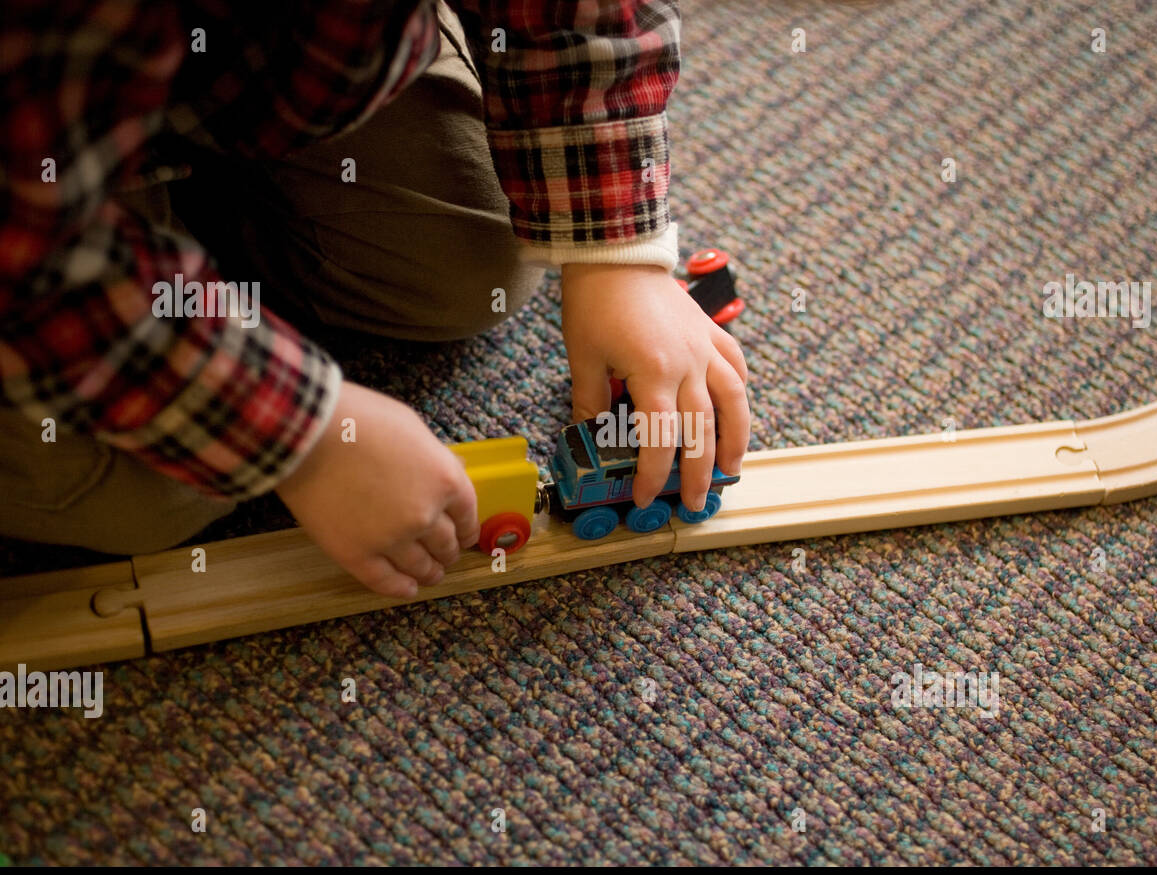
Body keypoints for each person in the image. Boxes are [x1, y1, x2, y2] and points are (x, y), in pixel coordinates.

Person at [0, 0, 750, 598]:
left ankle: (196, 229)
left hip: (274, 68)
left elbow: (572, 13)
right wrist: (302, 436)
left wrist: (613, 252)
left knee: (472, 266)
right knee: (146, 496)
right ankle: (161, 254)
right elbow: (32, 254)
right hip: (32, 175)